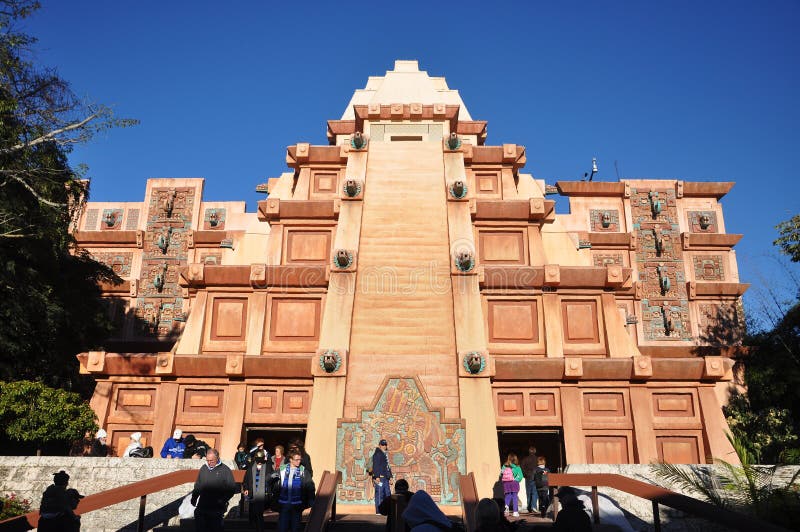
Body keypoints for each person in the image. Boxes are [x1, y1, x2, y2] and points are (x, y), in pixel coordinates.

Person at [191, 448, 237, 532]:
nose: (209, 463)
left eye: (211, 461)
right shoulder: (204, 468)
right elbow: (198, 485)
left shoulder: (225, 470)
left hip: (216, 508)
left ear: (217, 458)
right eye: (207, 460)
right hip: (202, 505)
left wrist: (222, 500)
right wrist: (194, 498)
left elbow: (231, 488)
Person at [269, 449, 315, 532]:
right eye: (296, 460)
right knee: (282, 528)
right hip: (284, 504)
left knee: (295, 528)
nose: (299, 461)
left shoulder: (303, 471)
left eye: (300, 459)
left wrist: (311, 500)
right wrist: (272, 477)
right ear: (290, 459)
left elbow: (310, 486)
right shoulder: (282, 469)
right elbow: (270, 478)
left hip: (297, 505)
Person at [243, 449, 273, 532]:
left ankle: (260, 529)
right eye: (258, 460)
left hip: (262, 494)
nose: (259, 462)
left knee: (259, 513)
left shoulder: (268, 467)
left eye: (261, 459)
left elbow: (273, 479)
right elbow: (246, 480)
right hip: (252, 493)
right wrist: (246, 488)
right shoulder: (251, 467)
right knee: (253, 513)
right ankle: (254, 527)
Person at [371, 438, 392, 514]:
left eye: (385, 445)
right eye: (382, 445)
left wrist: (390, 477)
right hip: (380, 478)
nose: (384, 446)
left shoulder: (385, 454)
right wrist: (377, 477)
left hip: (386, 478)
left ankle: (387, 511)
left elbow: (387, 466)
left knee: (388, 494)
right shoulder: (377, 454)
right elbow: (375, 466)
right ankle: (379, 511)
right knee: (379, 494)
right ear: (379, 445)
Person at [500, 453, 523, 517]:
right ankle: (515, 512)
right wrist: (516, 479)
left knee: (507, 496)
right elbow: (520, 476)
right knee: (515, 496)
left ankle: (506, 509)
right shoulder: (517, 467)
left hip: (506, 483)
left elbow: (501, 474)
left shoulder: (504, 466)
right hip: (514, 483)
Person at [520, 445, 538, 514]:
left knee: (528, 492)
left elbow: (522, 468)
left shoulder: (525, 459)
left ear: (529, 451)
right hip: (535, 477)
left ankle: (529, 507)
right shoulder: (537, 459)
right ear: (535, 451)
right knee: (534, 492)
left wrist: (525, 475)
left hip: (528, 477)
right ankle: (534, 507)